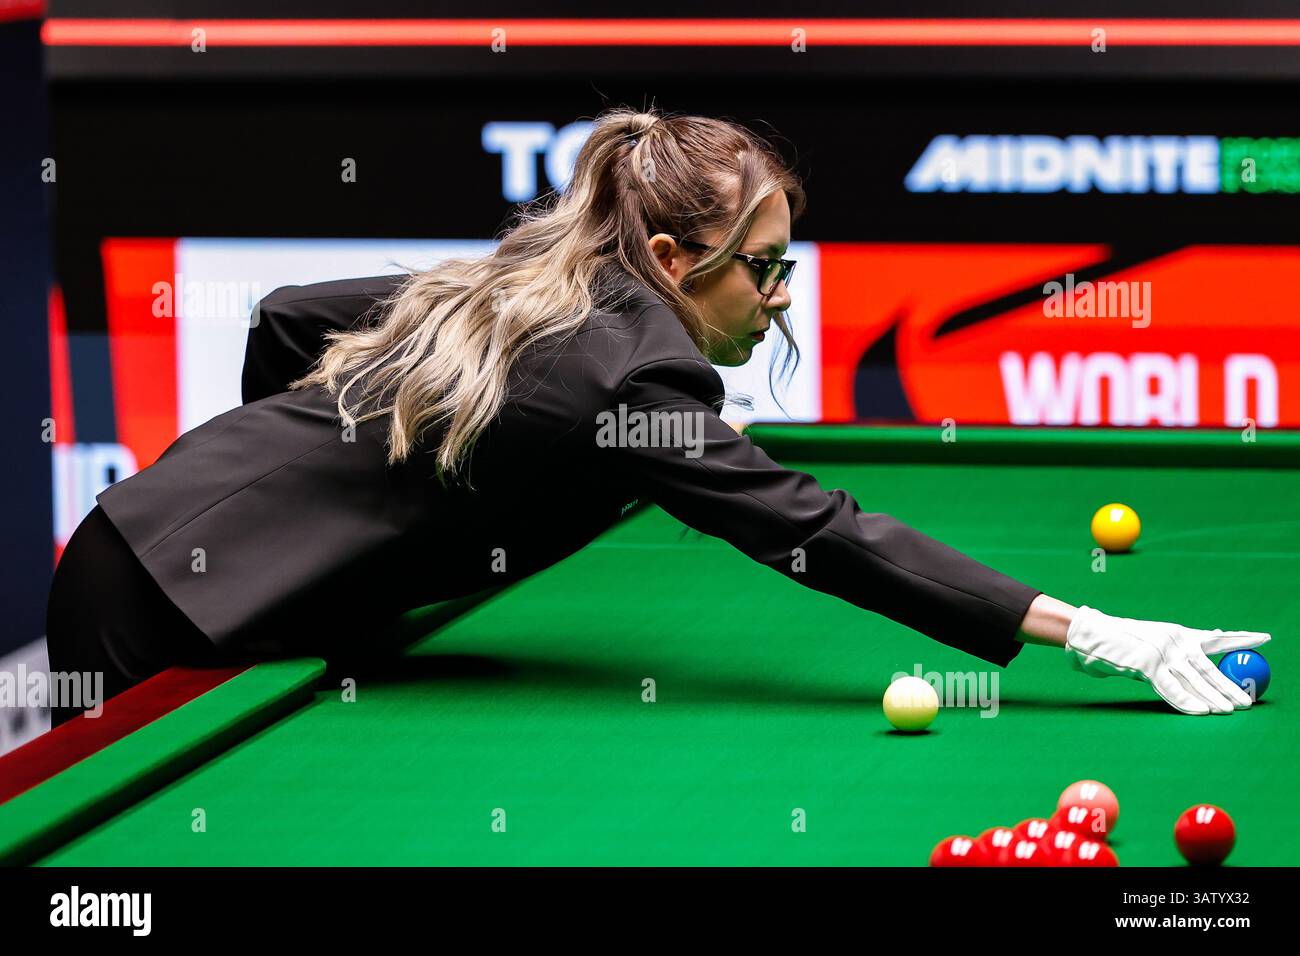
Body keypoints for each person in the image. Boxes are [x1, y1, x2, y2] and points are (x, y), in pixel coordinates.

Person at [45, 107, 1269, 727]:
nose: (782, 295)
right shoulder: (631, 377)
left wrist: (287, 507)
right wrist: (1092, 628)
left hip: (134, 542)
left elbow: (285, 312)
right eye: (765, 267)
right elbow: (821, 530)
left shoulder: (545, 284)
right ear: (679, 259)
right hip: (155, 599)